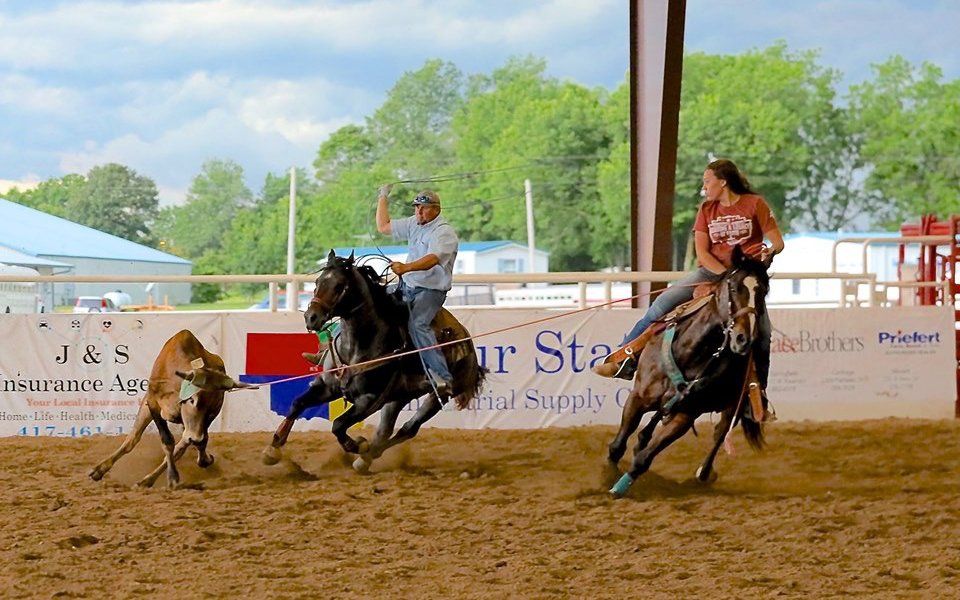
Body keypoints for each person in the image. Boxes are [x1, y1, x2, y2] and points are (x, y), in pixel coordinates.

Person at [594, 158, 785, 391]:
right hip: (712, 272)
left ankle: (758, 391)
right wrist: (726, 277)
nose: (704, 187)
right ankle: (624, 359)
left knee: (762, 332)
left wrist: (769, 251)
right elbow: (703, 254)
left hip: (745, 280)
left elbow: (777, 241)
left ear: (723, 182)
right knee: (660, 305)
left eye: (707, 181)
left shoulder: (755, 204)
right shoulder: (706, 209)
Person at [371, 185, 460, 398]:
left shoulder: (444, 232)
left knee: (418, 323)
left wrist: (406, 268)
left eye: (424, 208)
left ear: (436, 209)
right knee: (372, 303)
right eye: (417, 207)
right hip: (407, 284)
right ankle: (330, 350)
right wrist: (383, 195)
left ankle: (442, 377)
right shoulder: (414, 222)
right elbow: (383, 226)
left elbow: (433, 259)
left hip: (431, 291)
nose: (419, 212)